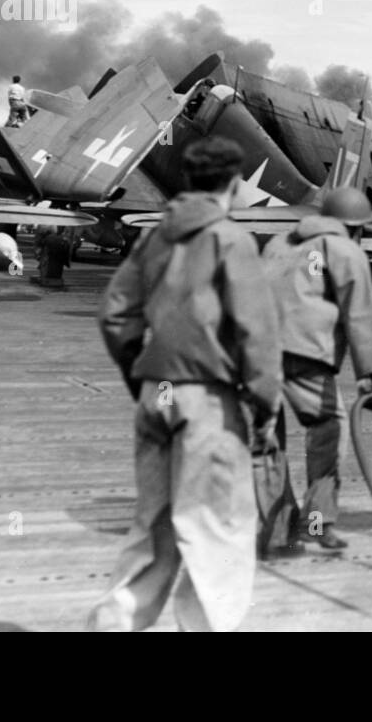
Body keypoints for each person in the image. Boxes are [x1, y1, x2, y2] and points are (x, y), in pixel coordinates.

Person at [90, 136, 282, 633]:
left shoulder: (156, 235)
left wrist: (143, 377)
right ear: (235, 183)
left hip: (157, 394)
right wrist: (265, 404)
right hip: (207, 402)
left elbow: (114, 314)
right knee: (217, 529)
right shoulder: (230, 239)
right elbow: (255, 332)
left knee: (152, 528)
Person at [261, 187, 372, 551]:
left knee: (267, 442)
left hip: (256, 351)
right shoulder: (345, 250)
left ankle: (277, 530)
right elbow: (360, 313)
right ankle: (316, 524)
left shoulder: (278, 243)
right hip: (305, 355)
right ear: (356, 227)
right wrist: (371, 375)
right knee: (329, 431)